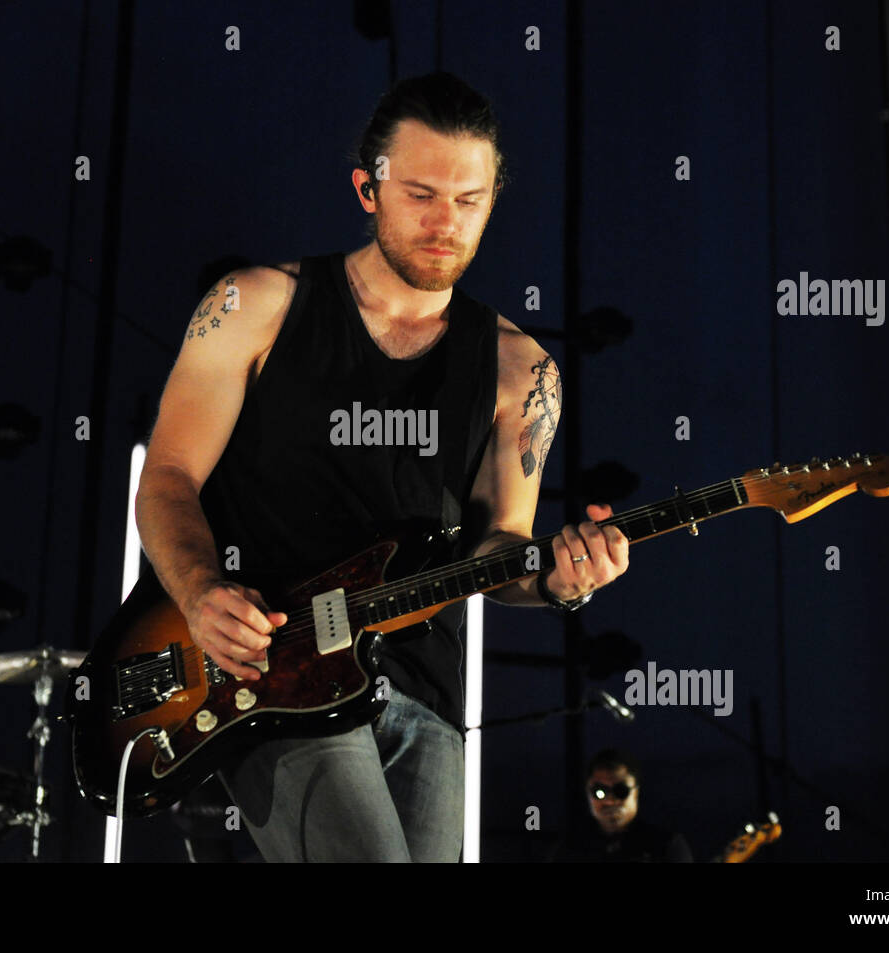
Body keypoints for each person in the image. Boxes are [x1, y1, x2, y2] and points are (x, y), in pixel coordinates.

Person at [135, 71, 630, 862]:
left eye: (469, 201)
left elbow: (501, 546)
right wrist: (198, 592)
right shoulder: (258, 305)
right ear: (368, 187)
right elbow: (166, 477)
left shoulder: (520, 369)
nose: (446, 223)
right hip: (277, 673)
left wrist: (558, 580)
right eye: (422, 194)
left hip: (424, 697)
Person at [554, 748, 693, 862]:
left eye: (620, 791)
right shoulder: (569, 848)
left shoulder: (664, 845)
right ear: (588, 792)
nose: (610, 800)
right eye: (599, 791)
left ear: (635, 792)